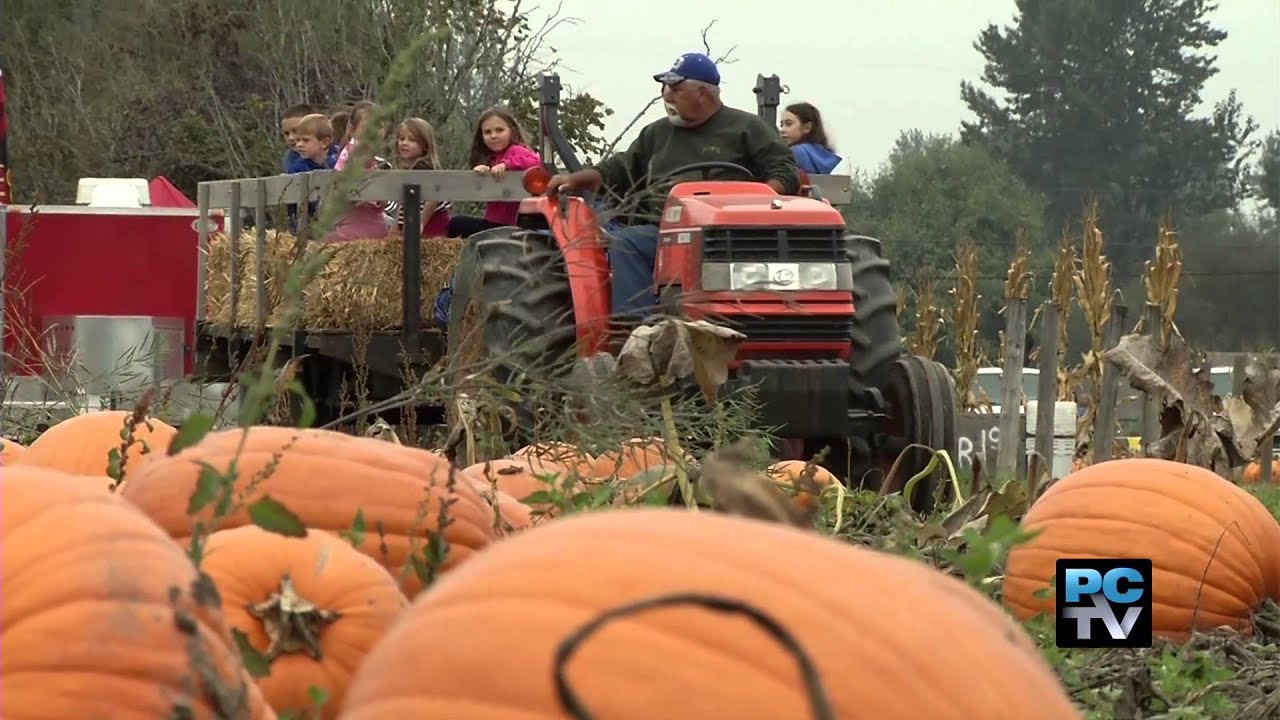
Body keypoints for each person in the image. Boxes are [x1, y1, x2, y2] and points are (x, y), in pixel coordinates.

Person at [545, 52, 800, 319]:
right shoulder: (656, 134)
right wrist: (575, 180)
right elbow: (618, 169)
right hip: (663, 230)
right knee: (626, 243)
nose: (666, 95)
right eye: (664, 87)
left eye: (675, 88)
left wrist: (758, 203)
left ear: (703, 93)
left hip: (734, 233)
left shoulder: (747, 128)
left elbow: (784, 170)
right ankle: (635, 329)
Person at [446, 107, 542, 238]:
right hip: (493, 222)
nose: (493, 136)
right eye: (487, 132)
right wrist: (480, 173)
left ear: (511, 131)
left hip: (514, 225)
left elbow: (536, 161)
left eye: (499, 130)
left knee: (457, 224)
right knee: (455, 224)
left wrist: (507, 165)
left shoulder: (516, 150)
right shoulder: (490, 158)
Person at [323, 101, 395, 242]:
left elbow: (385, 202)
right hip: (353, 229)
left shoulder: (375, 161)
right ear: (352, 128)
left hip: (372, 229)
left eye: (379, 127)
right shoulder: (351, 155)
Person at [383, 117, 452, 238]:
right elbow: (403, 201)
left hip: (431, 222)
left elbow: (434, 196)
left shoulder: (423, 167)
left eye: (412, 140)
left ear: (424, 145)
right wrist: (395, 228)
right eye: (401, 138)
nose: (404, 143)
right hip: (412, 221)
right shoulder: (408, 169)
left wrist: (420, 222)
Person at [284, 113, 339, 230]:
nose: (299, 144)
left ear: (324, 143)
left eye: (305, 140)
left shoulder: (334, 164)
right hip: (305, 225)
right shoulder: (298, 168)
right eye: (298, 140)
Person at [779, 102, 842, 174]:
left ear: (807, 127)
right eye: (781, 125)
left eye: (789, 124)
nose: (782, 130)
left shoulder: (795, 152)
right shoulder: (821, 154)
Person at [279, 103, 316, 172]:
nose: (291, 138)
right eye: (286, 133)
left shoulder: (335, 151)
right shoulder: (291, 159)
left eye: (296, 131)